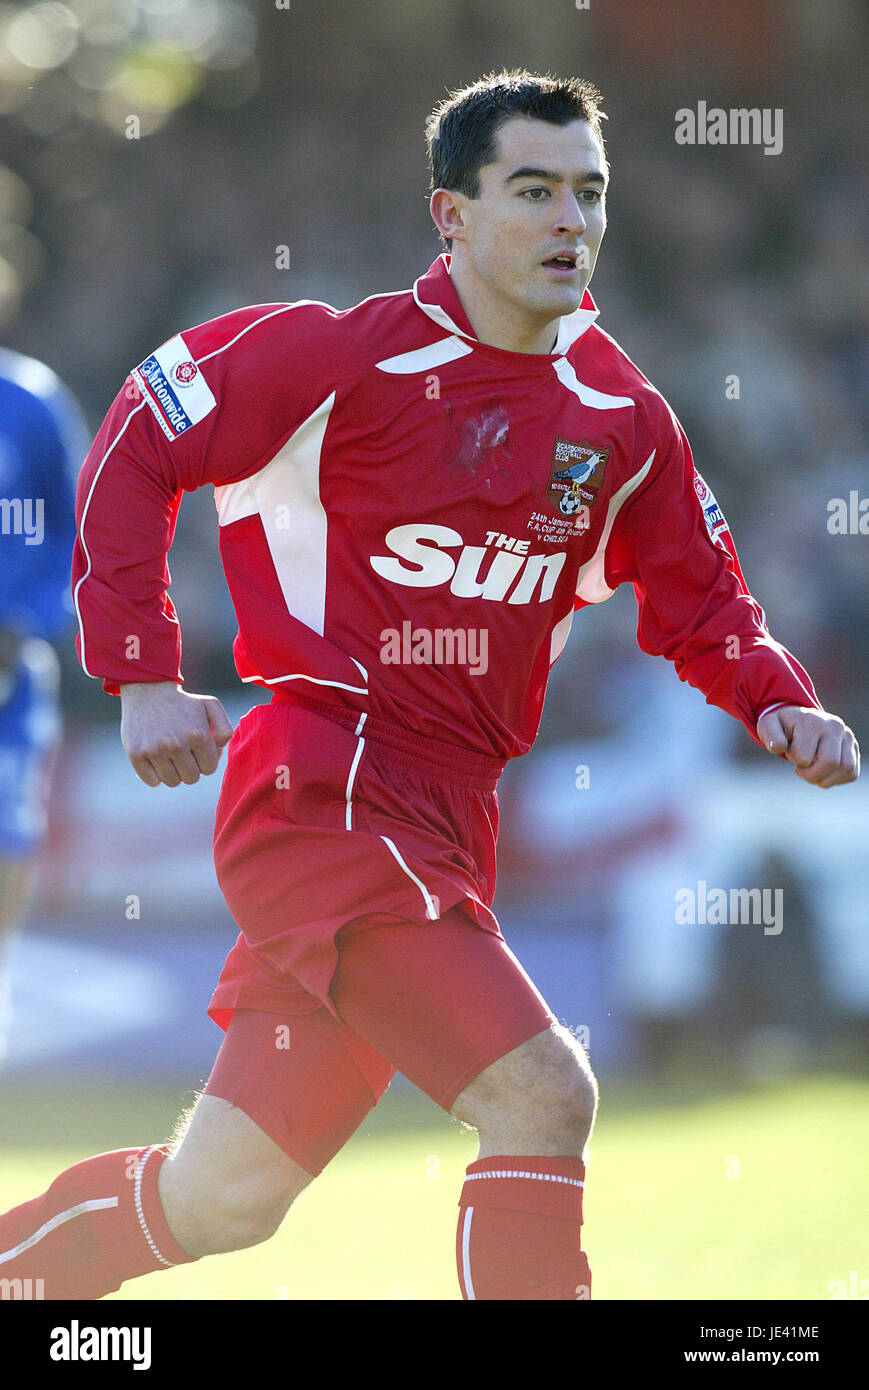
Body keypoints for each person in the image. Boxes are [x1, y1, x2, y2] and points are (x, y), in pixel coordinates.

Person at [0, 71, 858, 1302]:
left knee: (219, 1197)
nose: (570, 219)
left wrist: (774, 694)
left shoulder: (622, 417)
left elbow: (701, 597)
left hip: (452, 815)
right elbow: (142, 430)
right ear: (450, 215)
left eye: (588, 192)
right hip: (326, 790)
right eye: (532, 190)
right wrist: (138, 668)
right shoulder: (341, 356)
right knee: (542, 1093)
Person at [0, 347, 83, 1066]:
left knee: (6, 840)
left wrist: (24, 620)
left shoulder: (31, 401)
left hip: (8, 674)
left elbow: (76, 532)